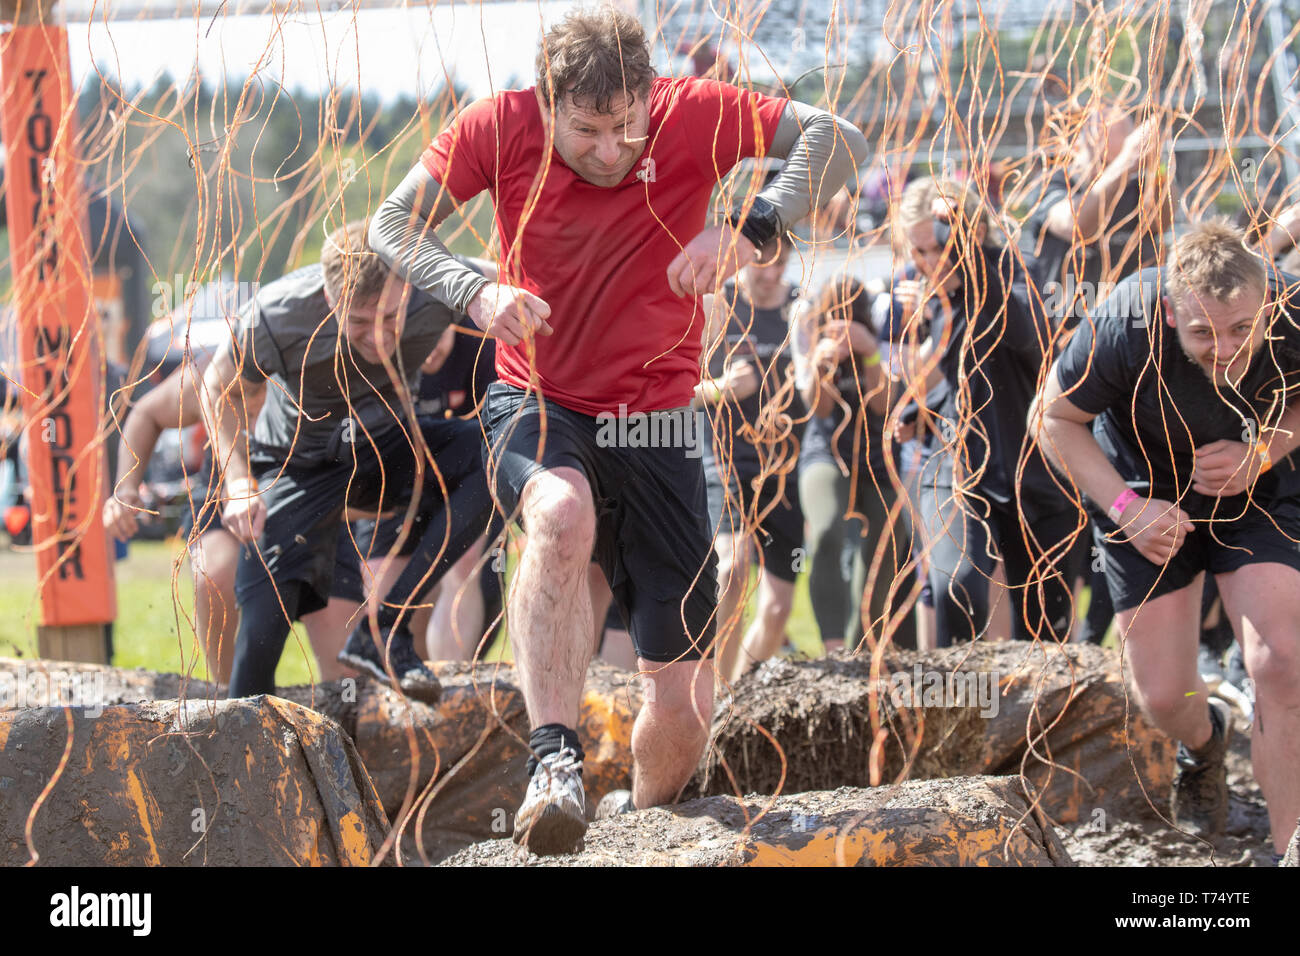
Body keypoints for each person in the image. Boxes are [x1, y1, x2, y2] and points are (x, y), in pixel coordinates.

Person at [369, 7, 867, 853]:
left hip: (662, 418)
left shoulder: (688, 110)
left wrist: (749, 228)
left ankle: (639, 829)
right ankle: (552, 758)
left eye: (626, 127)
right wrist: (472, 290)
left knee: (682, 706)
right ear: (548, 100)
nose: (612, 150)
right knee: (560, 516)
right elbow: (391, 225)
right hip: (541, 396)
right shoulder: (497, 125)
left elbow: (839, 139)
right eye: (588, 131)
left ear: (648, 97)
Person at [1031, 219, 1300, 858]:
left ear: (1265, 302)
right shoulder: (1124, 320)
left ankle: (1292, 846)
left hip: (1256, 495)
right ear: (1170, 311)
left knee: (1281, 663)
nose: (1227, 348)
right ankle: (1205, 743)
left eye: (1242, 329)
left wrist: (1262, 452)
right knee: (1163, 697)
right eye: (1204, 332)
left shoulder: (1291, 307)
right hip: (1142, 498)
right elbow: (1056, 418)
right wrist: (1126, 508)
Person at [200, 221, 493, 702]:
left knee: (496, 452)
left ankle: (387, 628)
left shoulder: (433, 281)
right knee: (260, 637)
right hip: (298, 467)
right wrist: (237, 482)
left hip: (388, 452)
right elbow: (220, 385)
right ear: (330, 299)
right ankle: (244, 746)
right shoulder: (279, 314)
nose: (378, 337)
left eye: (392, 317)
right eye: (359, 321)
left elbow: (519, 276)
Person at [894, 175, 1075, 647]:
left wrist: (966, 272)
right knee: (955, 586)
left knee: (1046, 627)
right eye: (919, 253)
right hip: (958, 460)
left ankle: (1037, 715)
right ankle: (963, 708)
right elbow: (942, 380)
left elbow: (1024, 336)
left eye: (940, 248)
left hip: (1032, 467)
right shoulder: (925, 296)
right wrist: (919, 404)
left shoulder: (1015, 269)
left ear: (970, 235)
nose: (930, 263)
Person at [105, 353, 360, 684]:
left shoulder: (321, 370)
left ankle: (343, 722)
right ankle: (229, 702)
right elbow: (146, 413)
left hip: (313, 512)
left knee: (347, 675)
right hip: (225, 503)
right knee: (216, 574)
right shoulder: (213, 369)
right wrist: (126, 490)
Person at [353, 313, 504, 662]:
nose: (430, 350)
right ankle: (402, 687)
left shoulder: (483, 344)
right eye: (419, 338)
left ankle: (451, 689)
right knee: (382, 587)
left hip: (465, 474)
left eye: (437, 335)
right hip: (400, 474)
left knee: (464, 563)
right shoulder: (380, 348)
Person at [695, 234, 806, 682]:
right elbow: (672, 392)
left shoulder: (801, 307)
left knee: (779, 605)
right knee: (732, 568)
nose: (771, 274)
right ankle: (714, 695)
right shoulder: (716, 306)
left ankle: (741, 692)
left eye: (780, 265)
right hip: (726, 460)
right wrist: (719, 387)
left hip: (786, 467)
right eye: (761, 264)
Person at [796, 274, 917, 655]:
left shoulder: (880, 341)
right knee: (827, 530)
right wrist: (820, 365)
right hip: (827, 455)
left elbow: (883, 406)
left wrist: (868, 351)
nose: (842, 323)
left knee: (886, 541)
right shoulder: (814, 341)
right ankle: (833, 647)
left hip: (877, 460)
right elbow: (819, 409)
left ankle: (864, 646)